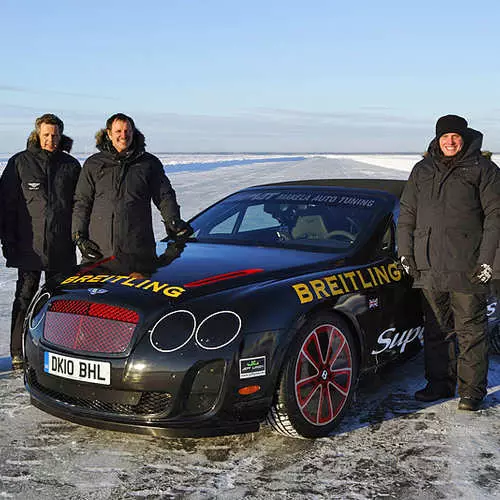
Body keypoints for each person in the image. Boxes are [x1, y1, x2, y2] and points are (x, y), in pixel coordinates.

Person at [397, 114, 500, 411]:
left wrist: (488, 261)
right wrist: (406, 252)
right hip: (428, 264)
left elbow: (496, 217)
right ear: (437, 139)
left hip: (467, 265)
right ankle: (439, 383)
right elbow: (407, 214)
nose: (450, 141)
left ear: (464, 138)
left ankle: (471, 391)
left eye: (455, 136)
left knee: (470, 330)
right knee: (436, 329)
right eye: (445, 137)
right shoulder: (422, 169)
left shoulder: (483, 169)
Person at [0, 114, 81, 369]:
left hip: (61, 245)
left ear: (61, 134)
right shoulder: (20, 163)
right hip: (29, 245)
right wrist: (8, 241)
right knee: (25, 296)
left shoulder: (70, 166)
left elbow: (81, 205)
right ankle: (18, 351)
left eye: (55, 135)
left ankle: (56, 351)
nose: (51, 139)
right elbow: (6, 206)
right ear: (37, 134)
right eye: (46, 134)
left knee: (58, 300)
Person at [72, 113, 191, 271]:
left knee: (134, 295)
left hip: (138, 251)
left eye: (127, 131)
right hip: (99, 252)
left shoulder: (148, 163)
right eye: (118, 131)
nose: (123, 135)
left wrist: (173, 220)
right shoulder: (94, 164)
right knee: (97, 295)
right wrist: (79, 236)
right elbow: (82, 202)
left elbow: (164, 196)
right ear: (108, 134)